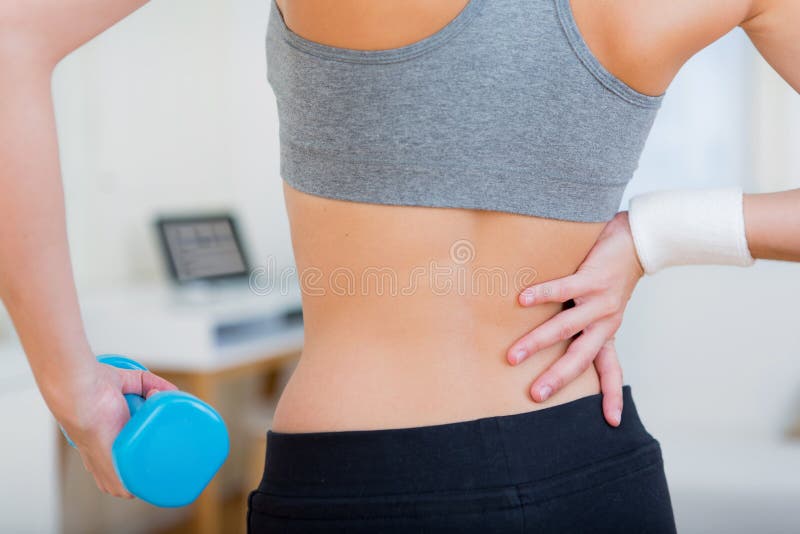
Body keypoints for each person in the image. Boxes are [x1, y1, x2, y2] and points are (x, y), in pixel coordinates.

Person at [0, 0, 797, 532]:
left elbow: (12, 36)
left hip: (359, 477)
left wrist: (73, 388)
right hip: (595, 467)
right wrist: (658, 232)